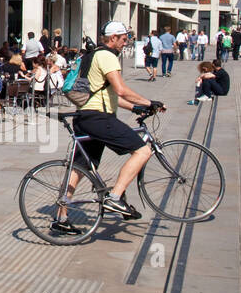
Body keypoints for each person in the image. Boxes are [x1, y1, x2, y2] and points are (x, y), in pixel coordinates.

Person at [56, 22, 163, 235]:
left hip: (85, 116)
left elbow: (106, 94)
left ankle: (61, 217)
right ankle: (114, 198)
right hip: (98, 118)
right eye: (124, 38)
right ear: (112, 37)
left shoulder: (93, 55)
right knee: (143, 150)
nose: (127, 42)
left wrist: (135, 107)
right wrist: (149, 102)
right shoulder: (107, 56)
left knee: (80, 168)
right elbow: (121, 90)